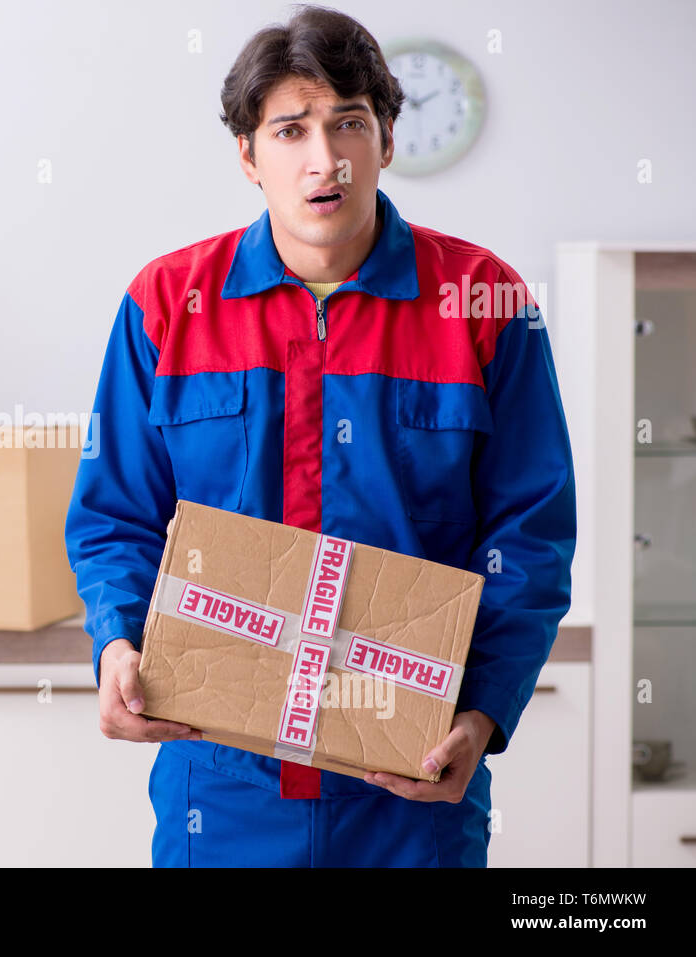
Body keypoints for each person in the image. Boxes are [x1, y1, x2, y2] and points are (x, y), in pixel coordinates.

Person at [63, 5, 576, 867]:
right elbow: (115, 515)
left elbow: (530, 532)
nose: (323, 158)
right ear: (248, 155)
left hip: (414, 789)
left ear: (386, 139)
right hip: (221, 788)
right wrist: (117, 641)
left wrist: (482, 710)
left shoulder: (483, 303)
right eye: (290, 129)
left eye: (350, 123)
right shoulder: (165, 305)